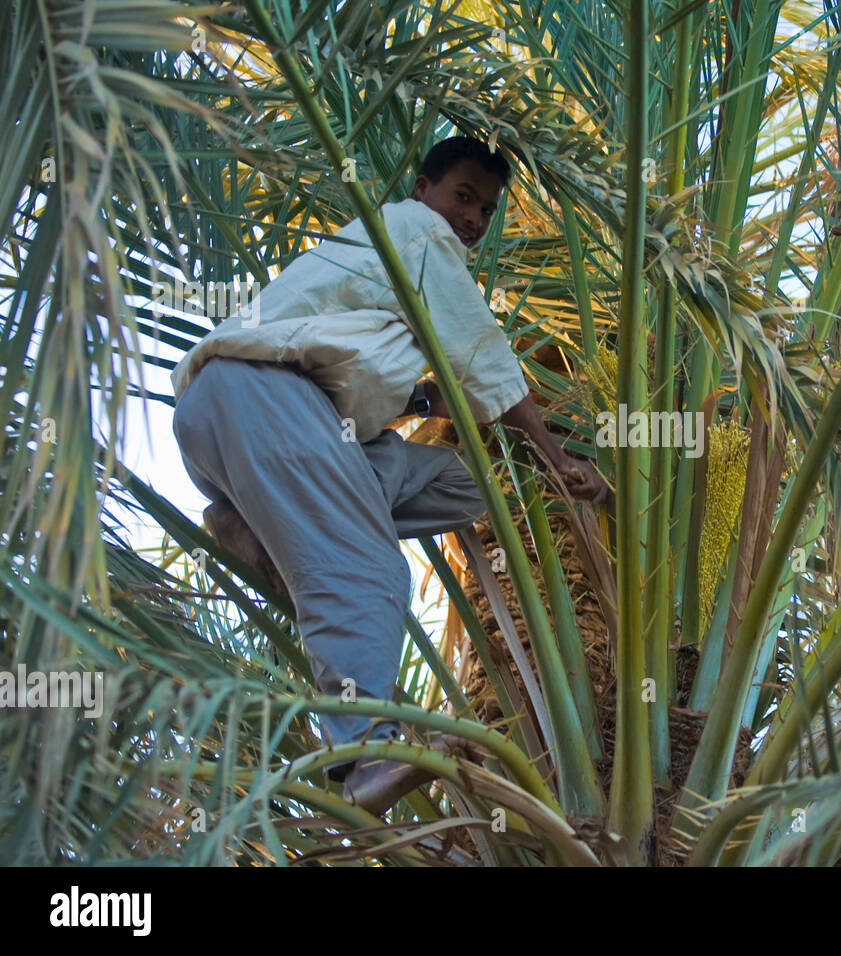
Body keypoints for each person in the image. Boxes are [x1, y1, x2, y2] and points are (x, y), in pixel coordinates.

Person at [170, 135, 608, 815]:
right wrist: (557, 456)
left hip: (249, 416)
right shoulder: (416, 230)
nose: (472, 218)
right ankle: (365, 751)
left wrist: (428, 403)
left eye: (487, 210)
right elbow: (481, 352)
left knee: (464, 486)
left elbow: (358, 365)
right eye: (464, 195)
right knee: (368, 571)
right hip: (266, 400)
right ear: (424, 189)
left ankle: (247, 514)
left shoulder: (388, 247)